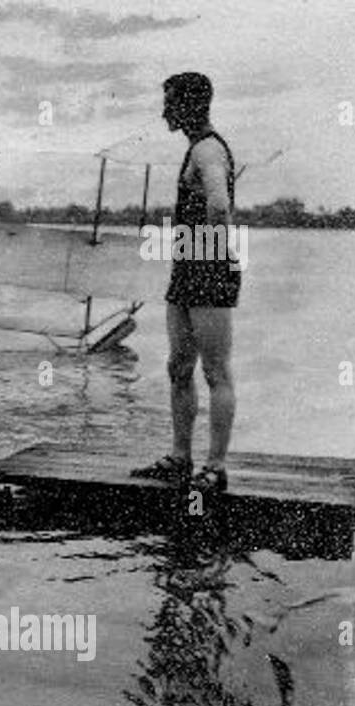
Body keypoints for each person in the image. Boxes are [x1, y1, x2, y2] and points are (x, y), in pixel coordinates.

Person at [131, 73, 239, 494]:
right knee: (178, 367)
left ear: (191, 105)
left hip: (208, 267)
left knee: (215, 371)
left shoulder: (209, 149)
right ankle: (180, 459)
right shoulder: (195, 148)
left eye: (170, 103)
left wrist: (209, 252)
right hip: (187, 267)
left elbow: (219, 204)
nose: (164, 112)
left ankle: (215, 467)